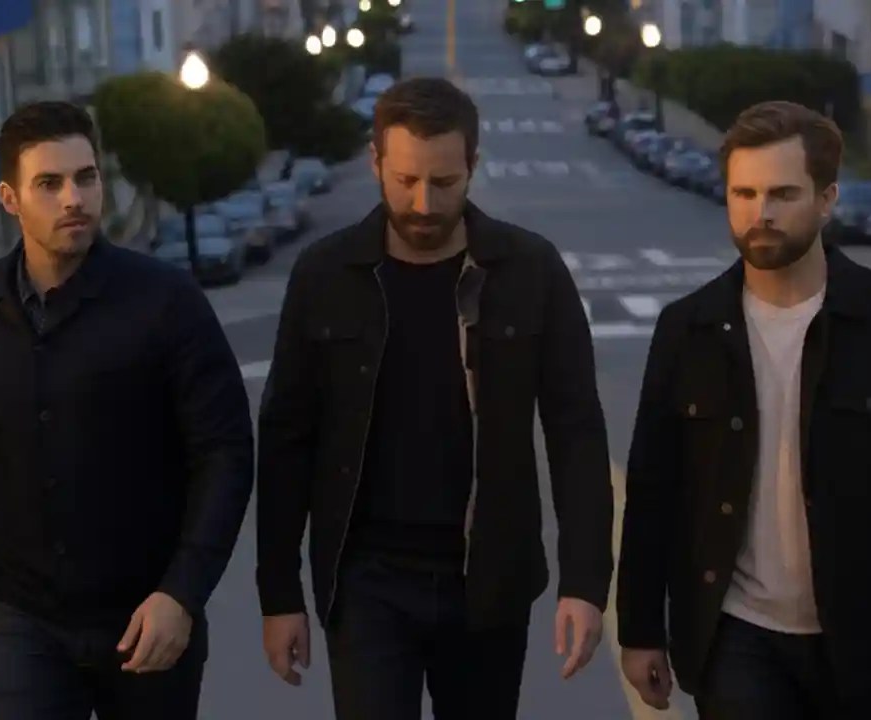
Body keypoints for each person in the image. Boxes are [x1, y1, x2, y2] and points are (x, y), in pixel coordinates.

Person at [257, 76, 613, 718]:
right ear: (375, 163)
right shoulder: (324, 274)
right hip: (366, 580)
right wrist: (277, 594)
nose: (423, 203)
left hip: (490, 582)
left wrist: (586, 583)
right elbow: (286, 439)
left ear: (473, 165)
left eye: (444, 183)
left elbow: (577, 431)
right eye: (405, 181)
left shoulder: (531, 270)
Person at [617, 100, 871, 720]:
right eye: (744, 193)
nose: (761, 214)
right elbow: (654, 489)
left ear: (827, 198)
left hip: (857, 638)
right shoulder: (687, 329)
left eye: (782, 194)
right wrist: (639, 628)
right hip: (733, 633)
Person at [0, 100, 254, 719]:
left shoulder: (166, 301)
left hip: (147, 615)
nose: (73, 197)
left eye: (86, 177)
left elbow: (225, 453)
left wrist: (182, 593)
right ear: (10, 198)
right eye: (49, 183)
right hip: (21, 617)